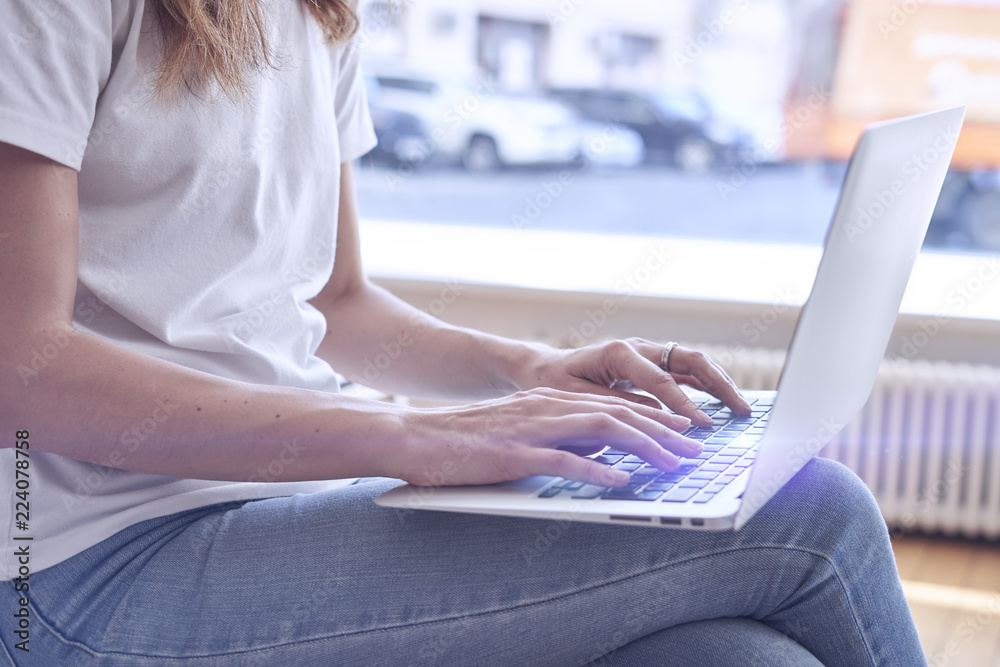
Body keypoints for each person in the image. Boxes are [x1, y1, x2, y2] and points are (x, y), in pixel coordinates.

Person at [0, 1, 925, 665]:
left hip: (282, 502)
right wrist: (414, 435)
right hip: (84, 568)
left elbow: (339, 298)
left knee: (736, 657)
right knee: (815, 516)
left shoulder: (325, 17)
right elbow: (21, 370)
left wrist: (534, 369)